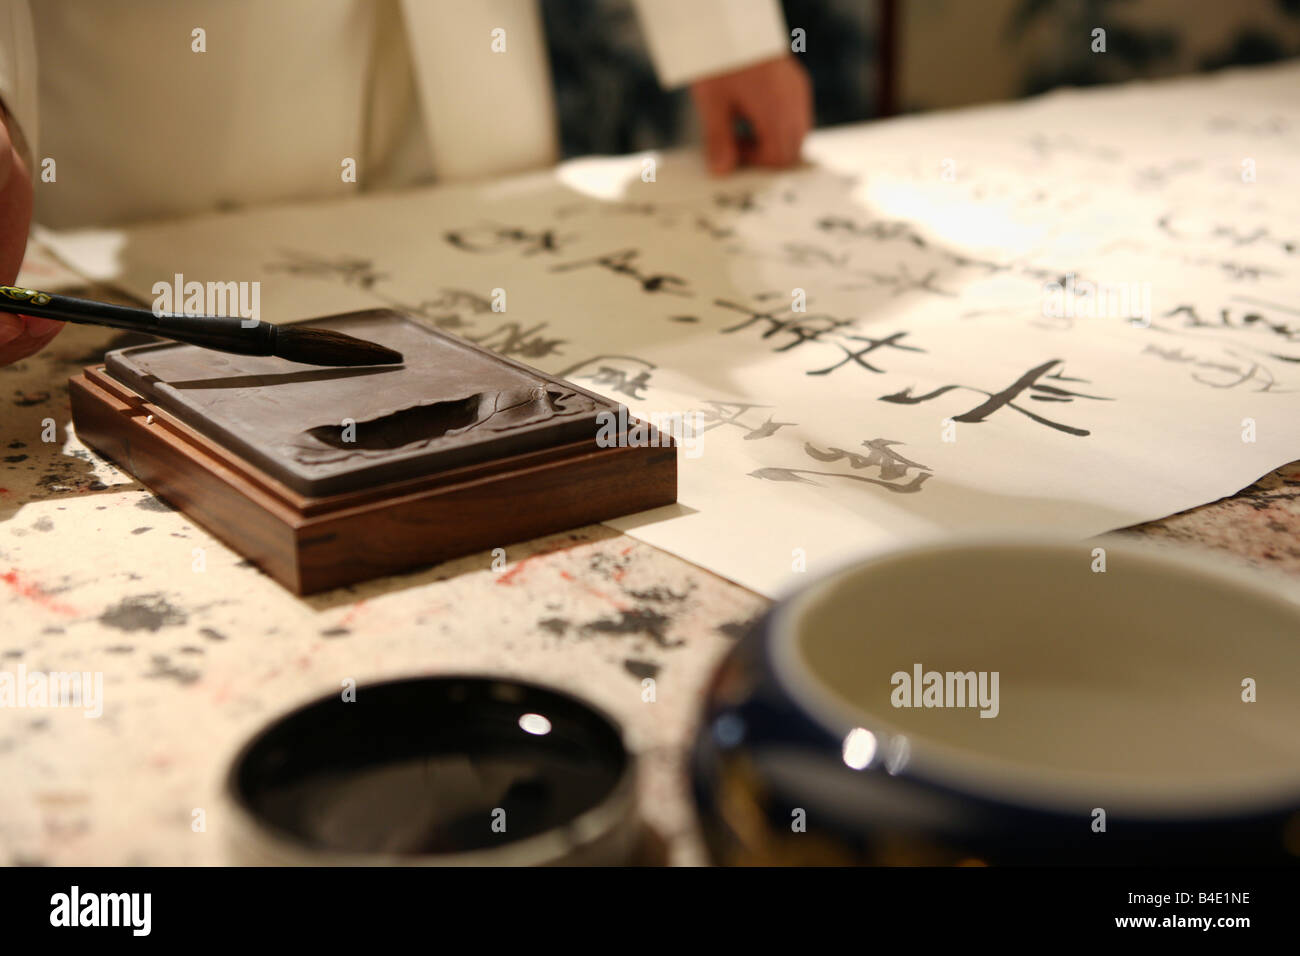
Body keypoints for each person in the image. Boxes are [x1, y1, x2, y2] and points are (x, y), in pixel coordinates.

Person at [0, 0, 812, 365]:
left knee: (493, 344)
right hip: (169, 88)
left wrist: (718, 20)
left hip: (461, 76)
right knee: (182, 373)